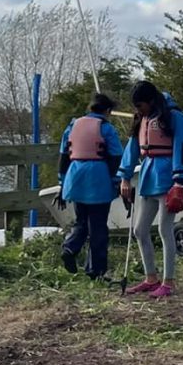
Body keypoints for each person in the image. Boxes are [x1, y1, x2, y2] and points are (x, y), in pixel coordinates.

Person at [118, 80, 183, 298]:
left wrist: (179, 181)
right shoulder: (142, 119)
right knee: (140, 230)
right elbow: (133, 148)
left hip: (168, 178)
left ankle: (168, 281)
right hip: (148, 177)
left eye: (140, 105)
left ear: (150, 101)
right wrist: (125, 176)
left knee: (164, 228)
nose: (138, 110)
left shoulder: (175, 118)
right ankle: (151, 278)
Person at [58, 92, 123, 280]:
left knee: (81, 221)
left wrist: (62, 183)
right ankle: (96, 270)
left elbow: (63, 155)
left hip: (75, 176)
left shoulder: (72, 125)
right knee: (98, 226)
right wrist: (116, 181)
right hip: (98, 178)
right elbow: (115, 156)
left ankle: (70, 248)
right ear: (107, 111)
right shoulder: (106, 128)